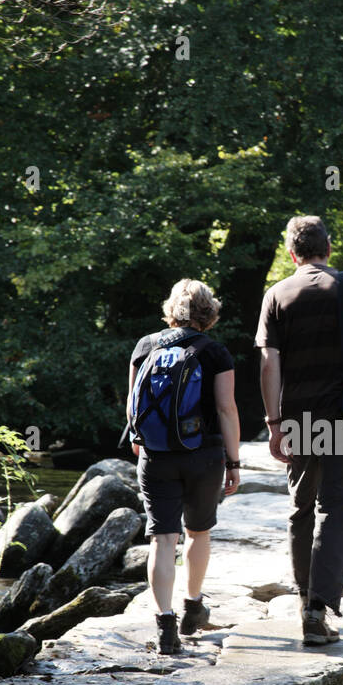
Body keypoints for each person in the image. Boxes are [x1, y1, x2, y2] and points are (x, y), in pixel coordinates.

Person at [255, 215, 343, 645]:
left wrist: (274, 423)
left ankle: (302, 599)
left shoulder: (276, 294)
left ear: (292, 253)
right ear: (328, 249)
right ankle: (318, 610)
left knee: (302, 507)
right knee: (337, 509)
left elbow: (269, 364)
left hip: (299, 416)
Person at [127, 279, 241, 655]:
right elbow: (226, 409)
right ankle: (194, 608)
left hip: (156, 454)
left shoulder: (145, 346)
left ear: (172, 309)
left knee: (162, 539)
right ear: (209, 313)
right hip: (203, 455)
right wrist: (234, 461)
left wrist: (141, 441)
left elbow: (132, 406)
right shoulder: (215, 352)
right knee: (198, 531)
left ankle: (165, 626)